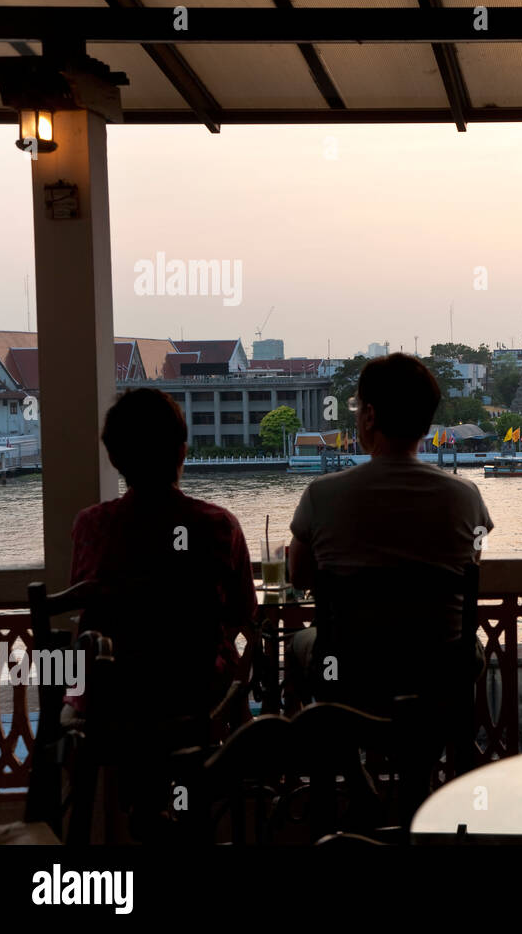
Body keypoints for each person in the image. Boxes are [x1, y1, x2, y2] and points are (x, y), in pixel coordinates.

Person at [69, 388, 257, 838]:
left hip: (113, 703)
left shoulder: (91, 526)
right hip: (197, 698)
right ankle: (183, 812)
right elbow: (242, 613)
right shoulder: (217, 525)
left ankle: (148, 811)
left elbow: (89, 608)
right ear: (182, 451)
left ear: (114, 458)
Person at [287, 353, 492, 705]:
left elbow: (300, 575)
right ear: (426, 424)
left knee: (297, 645)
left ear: (369, 416)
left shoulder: (321, 495)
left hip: (349, 670)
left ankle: (319, 737)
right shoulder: (466, 497)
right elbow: (471, 561)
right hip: (438, 669)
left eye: (357, 408)